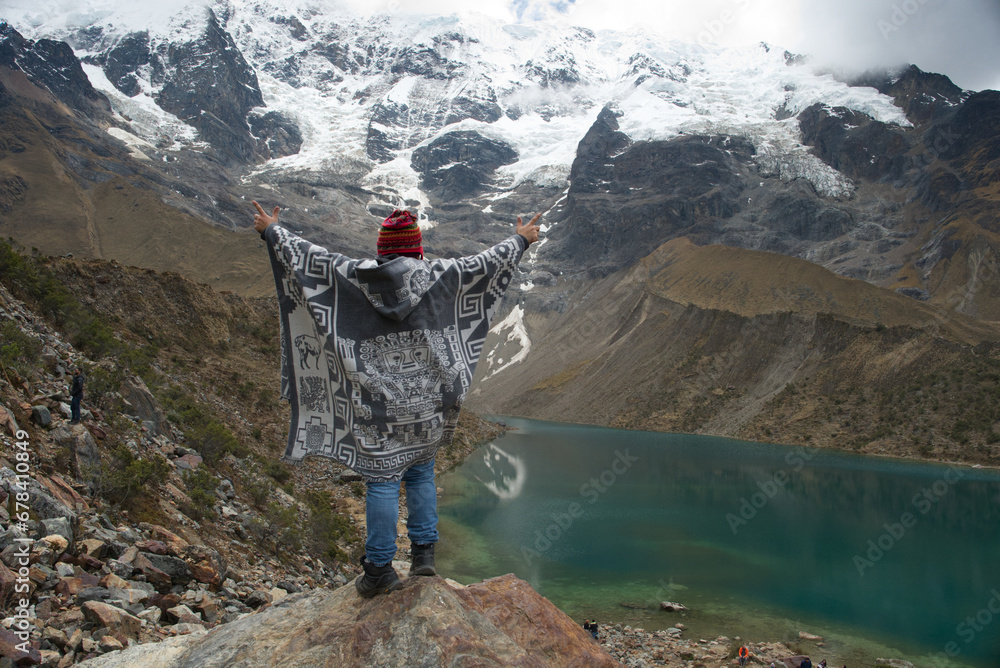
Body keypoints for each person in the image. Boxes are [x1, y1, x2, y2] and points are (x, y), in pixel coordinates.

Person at [253, 201, 540, 598]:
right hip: (427, 407)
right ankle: (423, 558)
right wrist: (520, 240)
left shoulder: (352, 275)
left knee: (383, 480)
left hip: (377, 410)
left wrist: (272, 230)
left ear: (382, 249)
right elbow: (484, 263)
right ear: (417, 247)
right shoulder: (442, 275)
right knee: (421, 473)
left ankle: (379, 570)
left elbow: (307, 256)